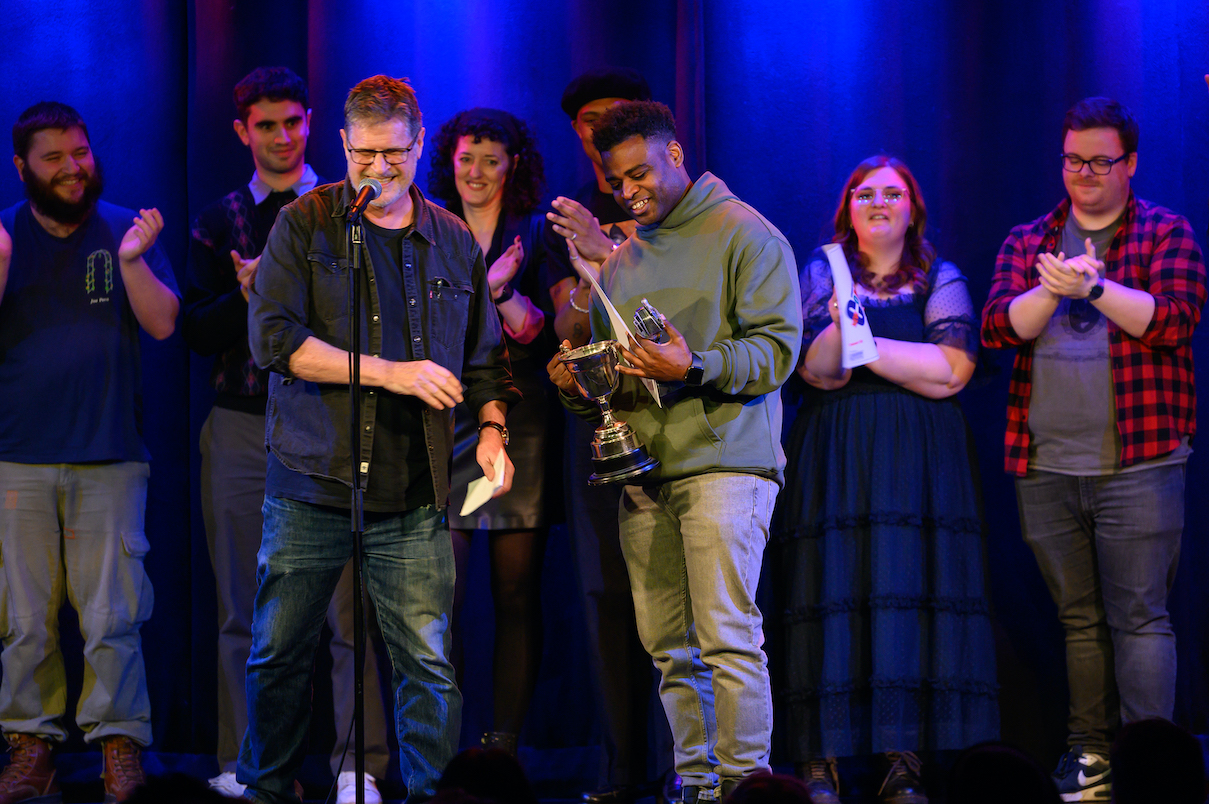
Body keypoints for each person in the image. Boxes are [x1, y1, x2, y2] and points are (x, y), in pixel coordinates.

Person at [240, 74, 519, 804]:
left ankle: (434, 798)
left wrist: (492, 430)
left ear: (419, 144)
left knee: (427, 664)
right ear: (342, 143)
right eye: (363, 153)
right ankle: (266, 790)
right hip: (312, 478)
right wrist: (392, 374)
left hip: (414, 487)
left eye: (393, 153)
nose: (378, 168)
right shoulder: (305, 224)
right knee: (279, 655)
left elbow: (486, 361)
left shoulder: (453, 240)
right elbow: (273, 341)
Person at [547, 100, 801, 802]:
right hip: (644, 476)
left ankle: (743, 790)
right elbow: (616, 379)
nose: (629, 192)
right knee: (669, 648)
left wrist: (693, 366)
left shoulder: (746, 234)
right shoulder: (621, 260)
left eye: (641, 174)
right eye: (616, 182)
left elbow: (776, 352)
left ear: (676, 154)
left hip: (725, 466)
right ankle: (697, 784)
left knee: (725, 638)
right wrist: (577, 384)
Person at [981, 97, 1206, 803]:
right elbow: (996, 328)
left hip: (1141, 462)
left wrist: (1096, 285)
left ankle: (1149, 766)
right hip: (1046, 465)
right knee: (1078, 622)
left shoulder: (1165, 232)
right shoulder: (1030, 239)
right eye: (1072, 160)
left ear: (1129, 164)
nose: (1083, 173)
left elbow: (1174, 320)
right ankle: (1090, 756)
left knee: (1140, 619)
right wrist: (1052, 291)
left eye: (1099, 161)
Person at [183, 66, 391, 803]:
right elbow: (195, 331)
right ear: (242, 131)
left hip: (330, 422)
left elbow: (373, 312)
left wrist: (286, 290)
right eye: (265, 125)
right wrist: (248, 297)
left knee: (348, 607)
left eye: (292, 123)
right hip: (242, 423)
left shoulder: (345, 207)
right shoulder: (219, 220)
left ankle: (358, 765)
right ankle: (249, 766)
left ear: (311, 124)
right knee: (244, 607)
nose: (281, 137)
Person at [773, 156, 998, 804]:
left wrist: (863, 342)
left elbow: (952, 370)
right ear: (847, 208)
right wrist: (874, 348)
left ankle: (903, 760)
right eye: (864, 193)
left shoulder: (940, 276)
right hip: (836, 452)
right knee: (830, 588)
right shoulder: (823, 271)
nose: (878, 202)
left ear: (912, 209)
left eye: (892, 193)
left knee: (907, 588)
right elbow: (819, 371)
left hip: (919, 461)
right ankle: (820, 760)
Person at [0, 101, 180, 803]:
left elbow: (163, 324)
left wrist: (131, 262)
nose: (73, 167)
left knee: (114, 617)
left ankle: (117, 746)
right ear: (23, 167)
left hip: (110, 454)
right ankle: (31, 748)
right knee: (23, 619)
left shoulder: (123, 228)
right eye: (54, 158)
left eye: (80, 152)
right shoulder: (5, 234)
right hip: (17, 457)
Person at [542, 68, 671, 804]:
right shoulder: (568, 214)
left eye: (614, 116)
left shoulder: (672, 207)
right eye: (589, 120)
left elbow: (676, 310)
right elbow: (565, 325)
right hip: (600, 423)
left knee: (681, 596)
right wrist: (590, 268)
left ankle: (690, 766)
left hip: (677, 420)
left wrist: (611, 254)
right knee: (605, 593)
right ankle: (623, 770)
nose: (601, 131)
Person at [427, 107, 555, 755]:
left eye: (490, 161)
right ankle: (439, 748)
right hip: (444, 413)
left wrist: (501, 293)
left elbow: (534, 330)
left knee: (514, 590)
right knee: (439, 593)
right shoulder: (429, 228)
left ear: (512, 166)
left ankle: (503, 744)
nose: (476, 172)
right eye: (466, 159)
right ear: (449, 163)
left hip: (518, 419)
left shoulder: (534, 232)